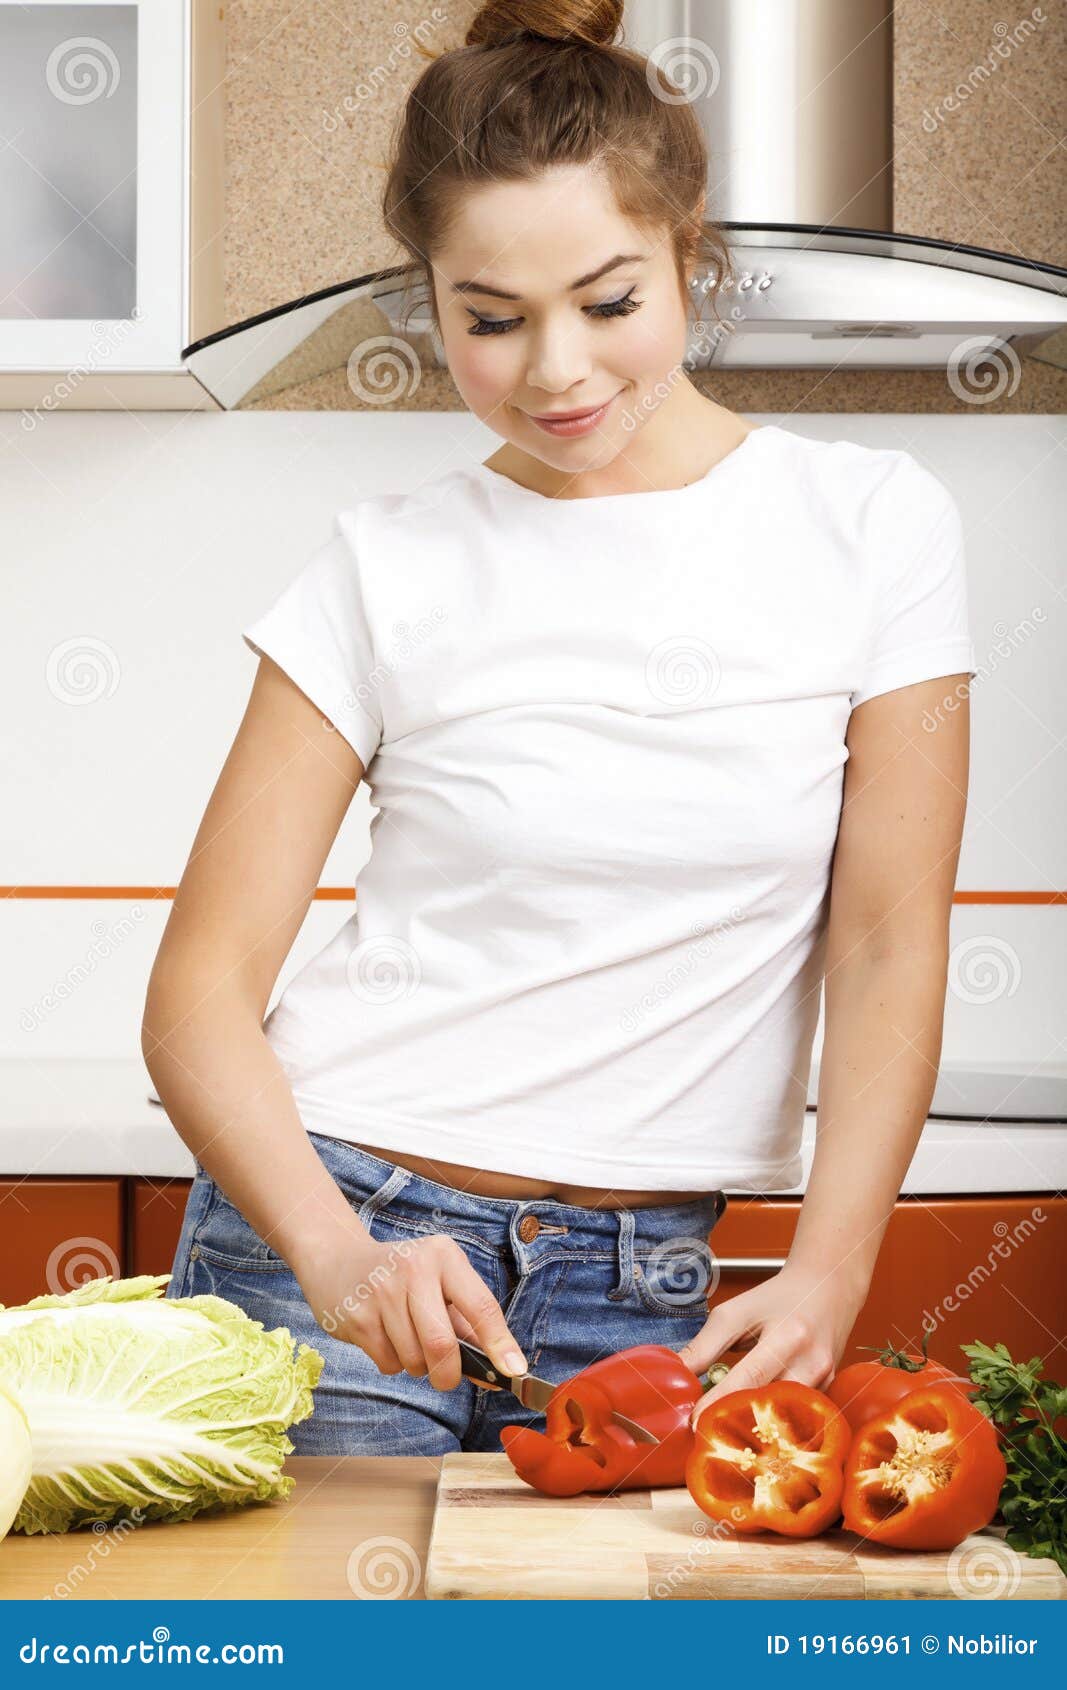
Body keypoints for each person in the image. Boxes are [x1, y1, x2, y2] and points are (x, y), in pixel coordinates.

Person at [142, 0, 977, 1458]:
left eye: (607, 301)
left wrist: (834, 1264)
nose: (555, 373)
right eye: (490, 318)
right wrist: (341, 1259)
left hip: (645, 1295)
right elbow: (198, 998)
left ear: (688, 245)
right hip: (340, 1252)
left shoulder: (873, 527)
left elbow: (889, 937)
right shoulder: (383, 563)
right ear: (432, 300)